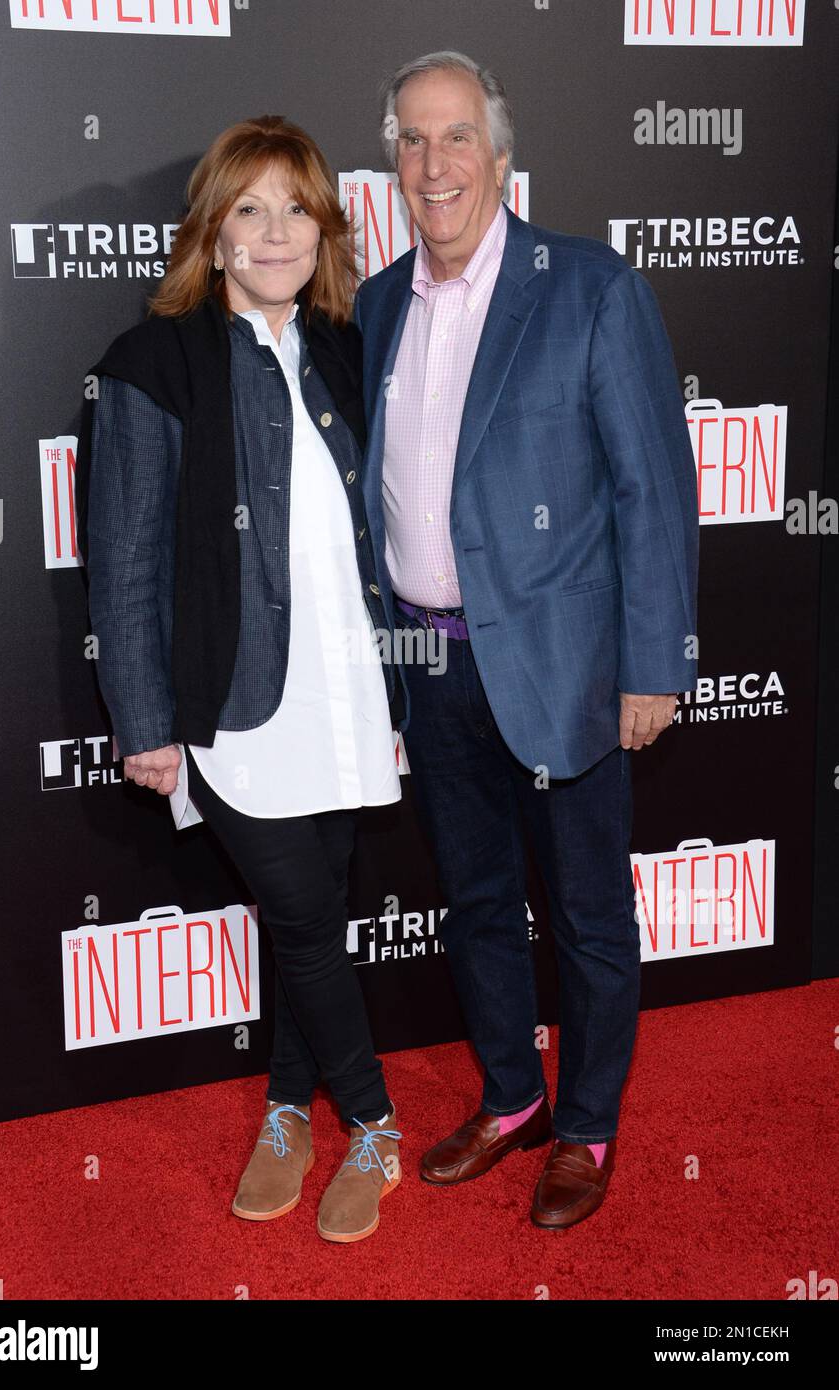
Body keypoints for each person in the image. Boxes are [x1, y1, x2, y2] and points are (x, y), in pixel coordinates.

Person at [354, 52, 699, 1228]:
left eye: (454, 137)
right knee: (477, 900)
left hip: (567, 667)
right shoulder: (380, 301)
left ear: (499, 155)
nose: (432, 163)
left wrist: (654, 667)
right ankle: (513, 1099)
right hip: (430, 661)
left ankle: (588, 1126)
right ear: (390, 162)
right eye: (409, 140)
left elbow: (655, 488)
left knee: (590, 911)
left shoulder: (589, 287)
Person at [75, 117, 404, 1245]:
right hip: (232, 700)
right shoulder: (151, 362)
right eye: (250, 209)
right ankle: (372, 1122)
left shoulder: (347, 349)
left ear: (324, 228)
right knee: (308, 919)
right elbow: (122, 557)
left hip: (351, 689)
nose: (276, 231)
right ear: (212, 235)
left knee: (312, 920)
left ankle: (284, 1109)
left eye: (297, 208)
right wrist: (145, 720)